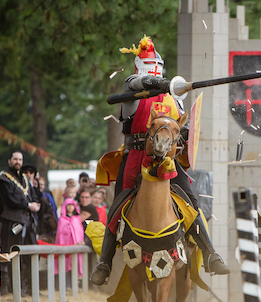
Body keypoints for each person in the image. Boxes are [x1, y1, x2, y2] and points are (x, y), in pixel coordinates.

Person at [90, 34, 229, 286]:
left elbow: (183, 129)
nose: (154, 70)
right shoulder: (131, 91)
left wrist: (182, 134)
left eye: (157, 68)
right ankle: (105, 262)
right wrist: (158, 83)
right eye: (150, 67)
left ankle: (210, 254)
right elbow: (135, 83)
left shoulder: (174, 98)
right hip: (135, 157)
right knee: (117, 207)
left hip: (167, 160)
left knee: (190, 203)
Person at [0, 151, 41, 296]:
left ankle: (28, 287)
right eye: (15, 159)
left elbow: (33, 196)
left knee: (30, 254)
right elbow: (10, 200)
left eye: (20, 159)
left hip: (28, 222)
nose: (18, 162)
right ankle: (10, 288)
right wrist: (28, 205)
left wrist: (36, 204)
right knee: (11, 254)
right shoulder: (4, 179)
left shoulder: (26, 180)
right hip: (12, 222)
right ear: (9, 161)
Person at [55, 198, 84, 281]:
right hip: (66, 246)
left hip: (76, 245)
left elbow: (79, 232)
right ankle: (65, 283)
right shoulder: (62, 220)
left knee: (75, 264)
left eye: (72, 205)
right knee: (65, 264)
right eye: (68, 205)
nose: (70, 207)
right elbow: (60, 234)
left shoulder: (76, 219)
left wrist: (79, 241)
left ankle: (74, 283)